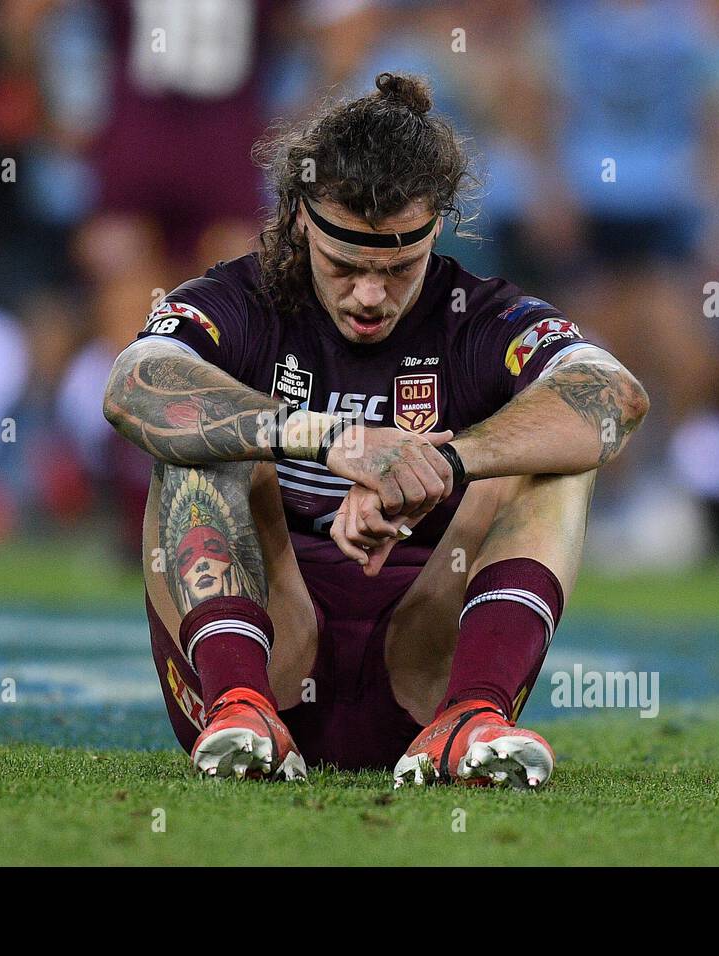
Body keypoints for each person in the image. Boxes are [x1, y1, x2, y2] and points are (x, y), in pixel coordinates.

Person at [103, 73, 649, 789]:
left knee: (552, 454)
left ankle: (473, 712)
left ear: (437, 229)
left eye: (397, 269)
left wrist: (445, 462)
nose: (370, 295)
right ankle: (240, 704)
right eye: (346, 266)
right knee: (200, 436)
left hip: (420, 676)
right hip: (269, 666)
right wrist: (330, 440)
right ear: (301, 221)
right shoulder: (241, 301)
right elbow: (132, 385)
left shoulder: (479, 317)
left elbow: (615, 397)